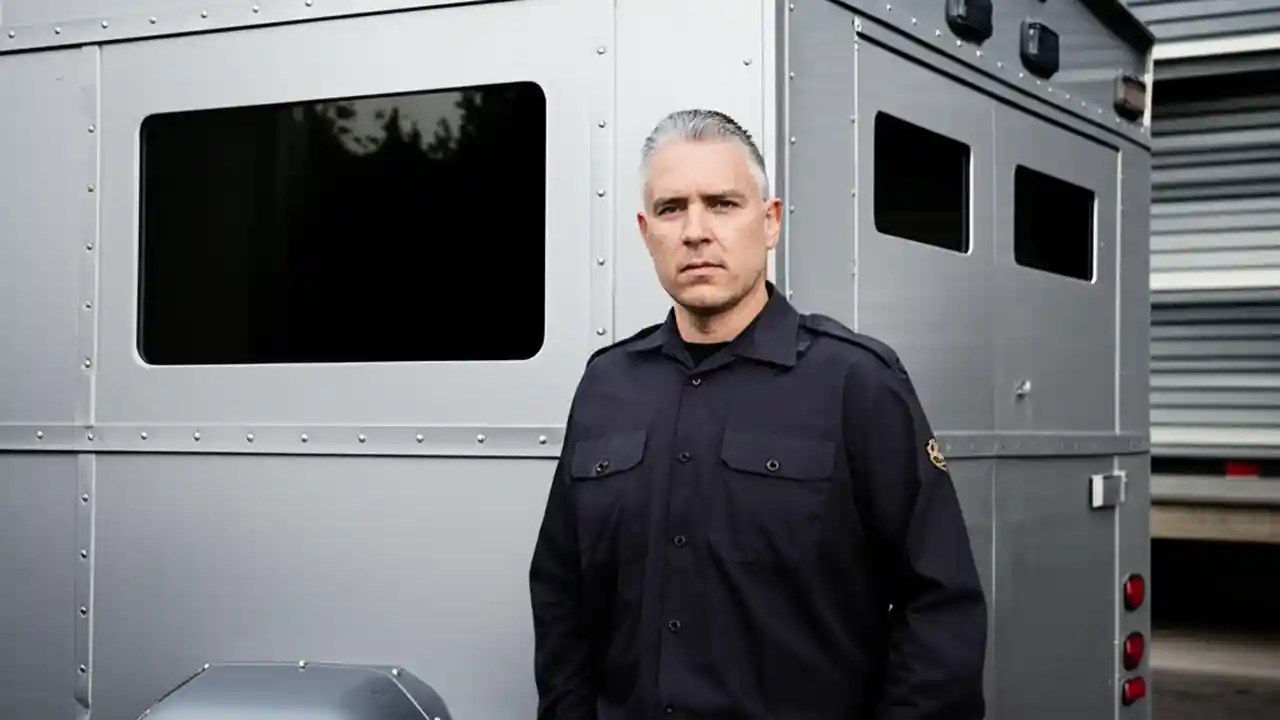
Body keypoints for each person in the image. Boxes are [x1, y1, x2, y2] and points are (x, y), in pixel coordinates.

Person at [529, 109, 987, 719]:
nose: (695, 231)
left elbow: (940, 608)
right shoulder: (607, 386)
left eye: (722, 204)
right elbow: (560, 591)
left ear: (769, 222)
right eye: (671, 209)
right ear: (646, 232)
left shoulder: (855, 383)